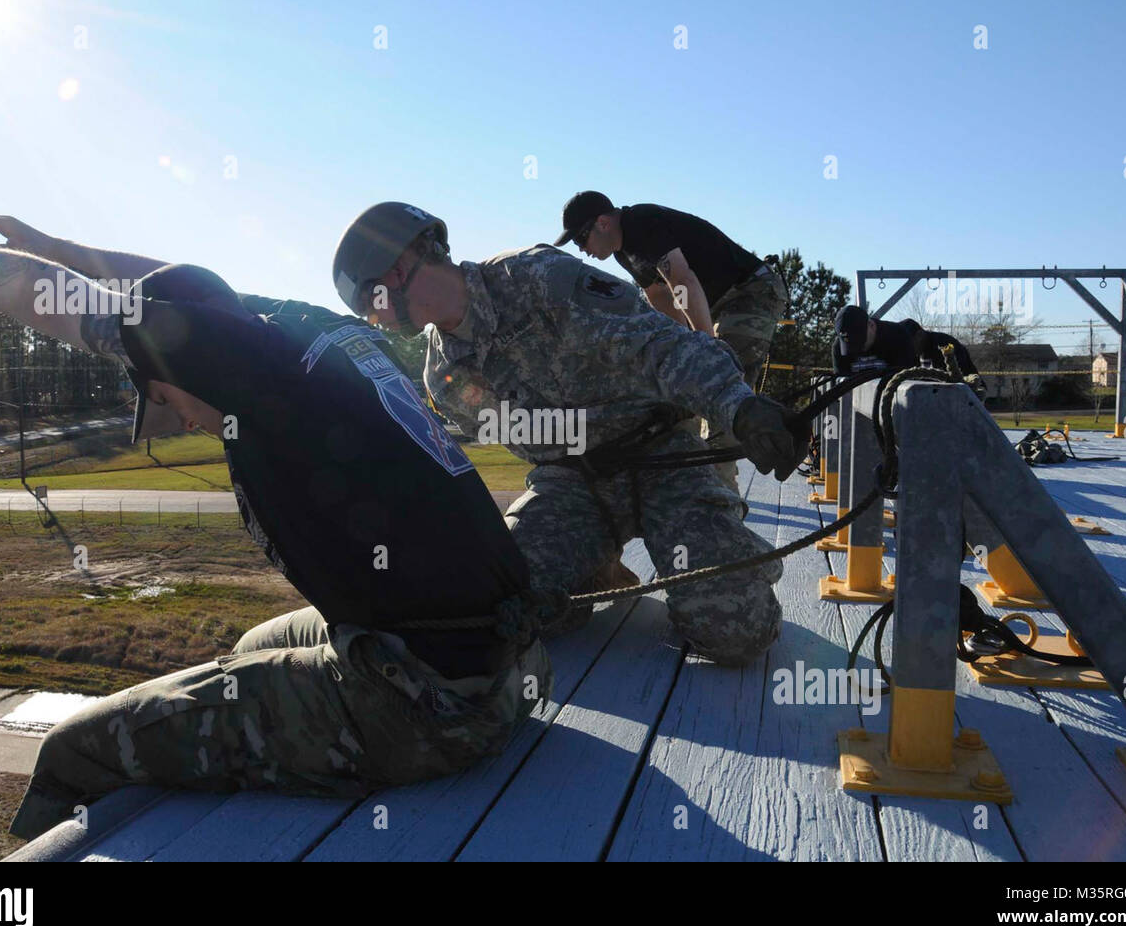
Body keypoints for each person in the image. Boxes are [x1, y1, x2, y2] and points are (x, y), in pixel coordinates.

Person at [0, 196, 551, 839]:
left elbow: (69, 307)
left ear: (181, 358)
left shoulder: (236, 364)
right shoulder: (308, 329)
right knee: (247, 651)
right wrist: (48, 242)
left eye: (159, 394)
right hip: (518, 663)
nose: (179, 418)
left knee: (76, 747)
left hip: (436, 707)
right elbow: (183, 285)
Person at [333, 202, 807, 666]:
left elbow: (659, 344)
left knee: (735, 629)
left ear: (395, 272)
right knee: (509, 609)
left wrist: (739, 405)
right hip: (575, 485)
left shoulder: (537, 279)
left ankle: (734, 555)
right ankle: (595, 563)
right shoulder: (444, 376)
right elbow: (524, 449)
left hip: (663, 457)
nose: (372, 319)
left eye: (366, 303)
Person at [553, 190, 789, 489]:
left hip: (750, 292)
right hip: (720, 303)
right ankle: (701, 488)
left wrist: (705, 347)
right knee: (688, 385)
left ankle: (721, 501)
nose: (581, 249)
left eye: (580, 239)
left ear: (602, 223)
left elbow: (682, 280)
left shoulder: (640, 223)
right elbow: (659, 295)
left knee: (721, 389)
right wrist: (680, 348)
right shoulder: (623, 251)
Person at [832, 304, 984, 394]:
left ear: (871, 325)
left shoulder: (898, 337)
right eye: (850, 344)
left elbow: (906, 383)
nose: (857, 349)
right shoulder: (839, 347)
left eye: (860, 341)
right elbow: (841, 388)